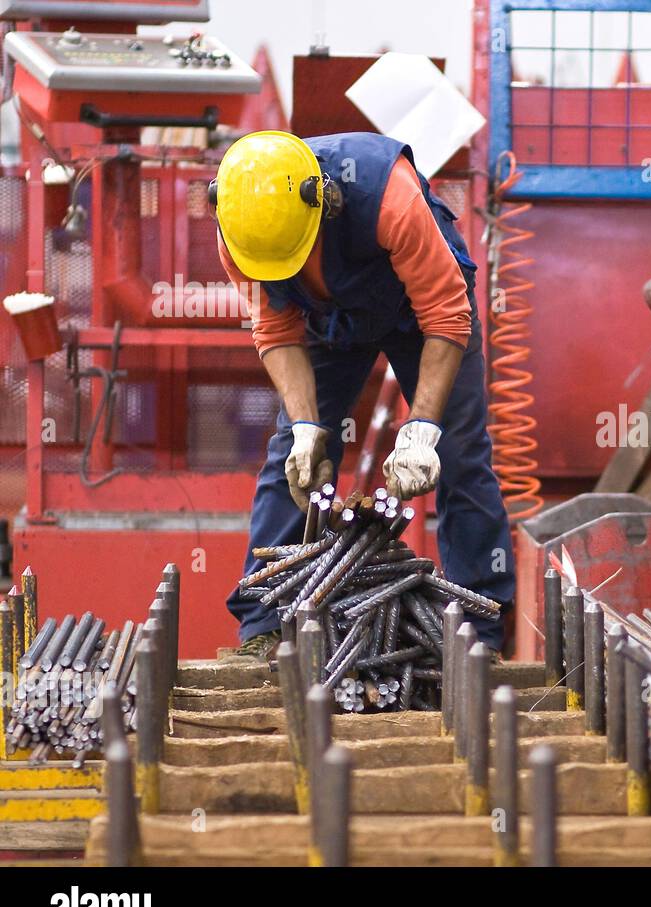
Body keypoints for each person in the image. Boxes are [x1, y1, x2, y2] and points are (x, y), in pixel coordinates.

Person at [211, 130, 513, 657]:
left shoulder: (388, 197)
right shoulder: (239, 228)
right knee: (294, 460)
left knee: (459, 453)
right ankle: (263, 625)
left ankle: (479, 631)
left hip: (424, 314)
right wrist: (306, 428)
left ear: (324, 204)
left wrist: (422, 431)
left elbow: (446, 314)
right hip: (330, 319)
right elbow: (276, 330)